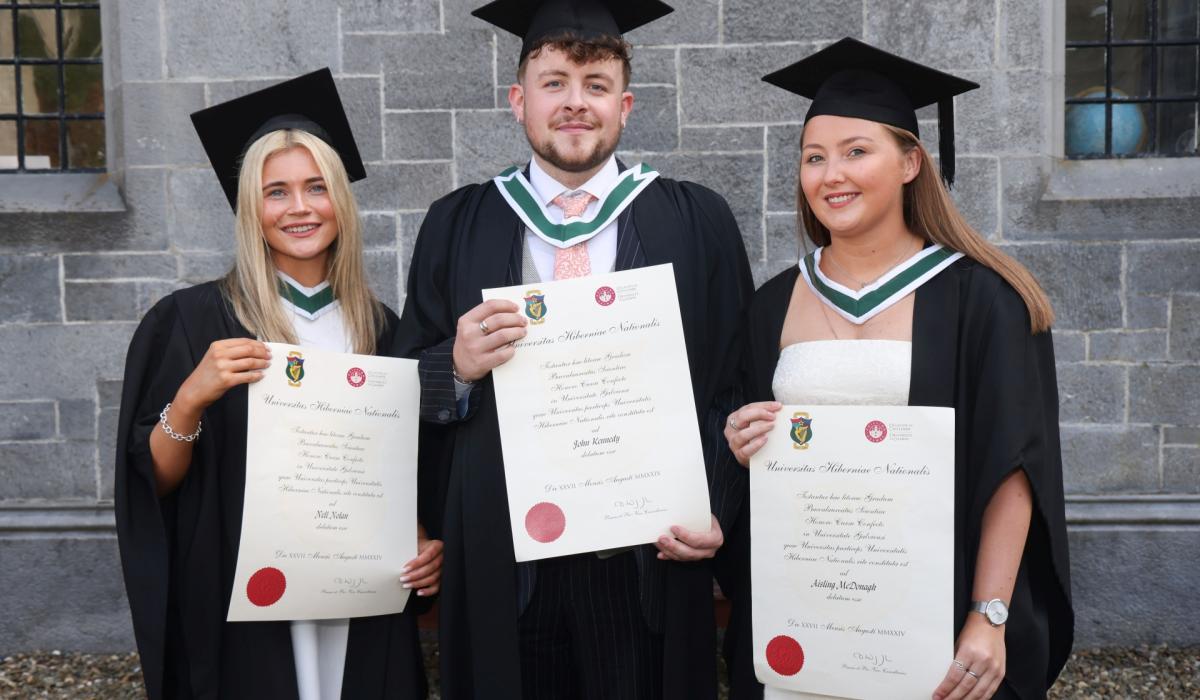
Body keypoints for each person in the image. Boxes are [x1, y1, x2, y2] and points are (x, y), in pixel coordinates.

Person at [392, 0, 754, 697]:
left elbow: (732, 381)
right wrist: (458, 366)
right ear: (518, 100)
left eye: (594, 85)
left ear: (625, 105)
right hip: (507, 563)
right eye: (554, 82)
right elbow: (408, 380)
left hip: (645, 559)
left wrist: (717, 509)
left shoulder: (696, 218)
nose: (574, 103)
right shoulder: (456, 222)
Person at [720, 38, 1074, 700]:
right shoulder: (771, 304)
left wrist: (988, 615)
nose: (832, 175)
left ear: (911, 160)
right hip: (808, 611)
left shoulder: (982, 301)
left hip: (932, 619)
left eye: (857, 151)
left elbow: (1013, 469)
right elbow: (746, 451)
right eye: (814, 158)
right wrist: (741, 442)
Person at [114, 69, 442, 700]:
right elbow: (151, 484)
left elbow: (409, 472)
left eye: (316, 187)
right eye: (277, 192)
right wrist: (191, 396)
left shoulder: (382, 329)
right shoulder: (191, 321)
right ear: (251, 210)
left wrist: (425, 540)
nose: (299, 208)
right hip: (246, 604)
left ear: (340, 200)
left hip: (359, 595)